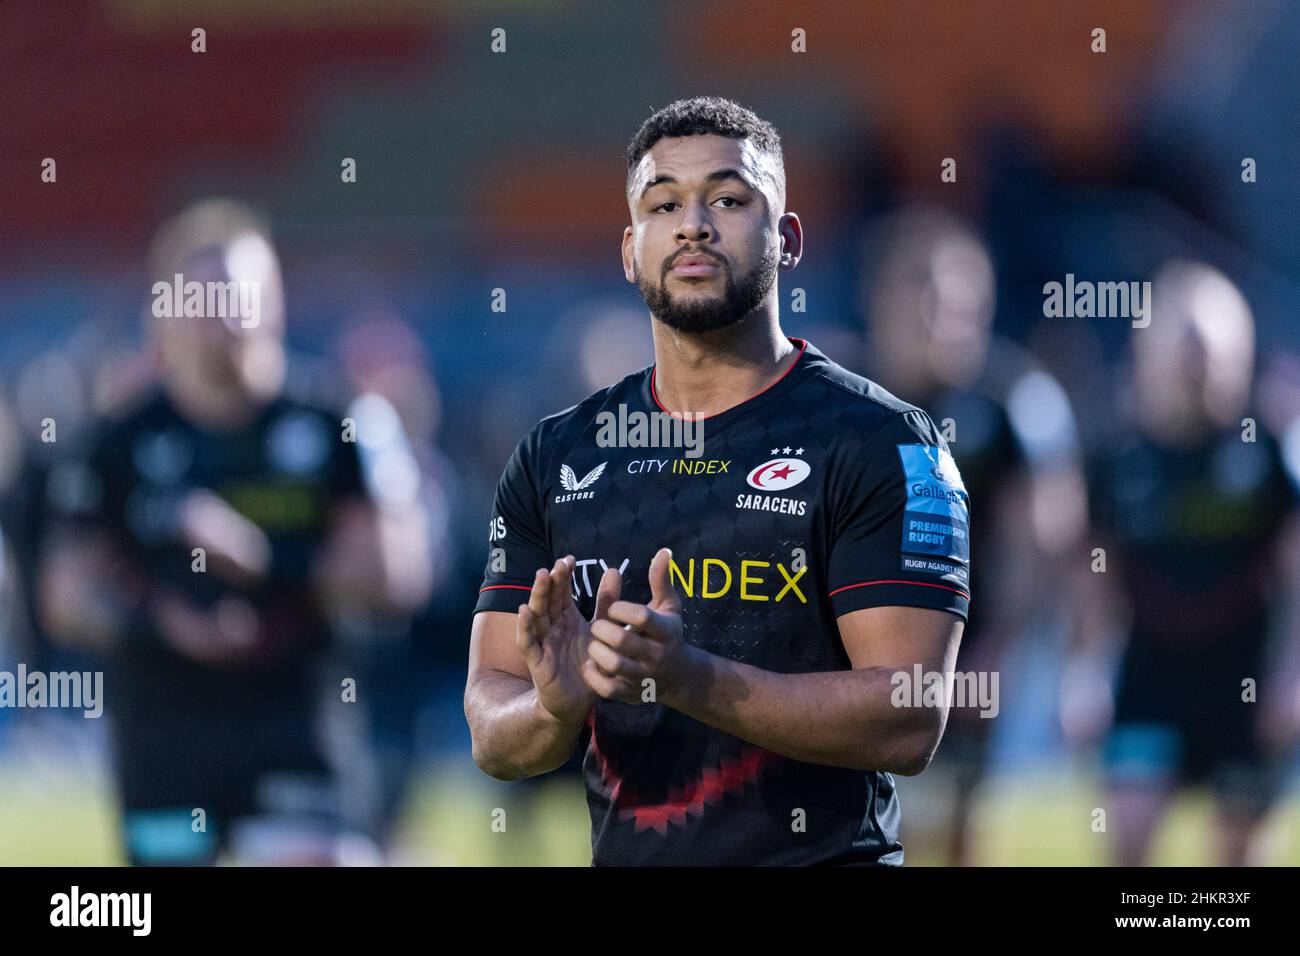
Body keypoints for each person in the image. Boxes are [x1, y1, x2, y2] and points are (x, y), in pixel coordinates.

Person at [465, 96, 971, 865]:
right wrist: (553, 709)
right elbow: (492, 727)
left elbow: (911, 715)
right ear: (630, 250)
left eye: (729, 199)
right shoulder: (555, 455)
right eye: (664, 203)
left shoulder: (882, 442)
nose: (694, 224)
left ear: (788, 238)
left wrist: (688, 677)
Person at [40, 199, 431, 865]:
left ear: (276, 302)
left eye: (242, 295)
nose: (224, 316)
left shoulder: (341, 421)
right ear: (165, 310)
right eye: (203, 297)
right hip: (164, 738)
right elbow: (68, 597)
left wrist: (265, 558)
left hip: (296, 727)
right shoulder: (113, 443)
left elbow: (400, 572)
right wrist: (161, 623)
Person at [858, 206, 1087, 864]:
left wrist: (999, 650)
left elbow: (1042, 546)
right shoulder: (843, 400)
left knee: (958, 816)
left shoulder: (1011, 405)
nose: (945, 316)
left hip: (969, 648)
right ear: (885, 299)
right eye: (926, 293)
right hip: (857, 648)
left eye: (963, 299)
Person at [1082, 260, 1300, 865]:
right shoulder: (1121, 458)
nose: (1197, 367)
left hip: (1242, 676)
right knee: (1127, 830)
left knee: (1236, 856)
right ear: (1147, 355)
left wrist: (1290, 675)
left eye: (1210, 350)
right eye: (1183, 349)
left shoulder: (1269, 452)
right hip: (1151, 672)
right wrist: (1089, 668)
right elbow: (1097, 575)